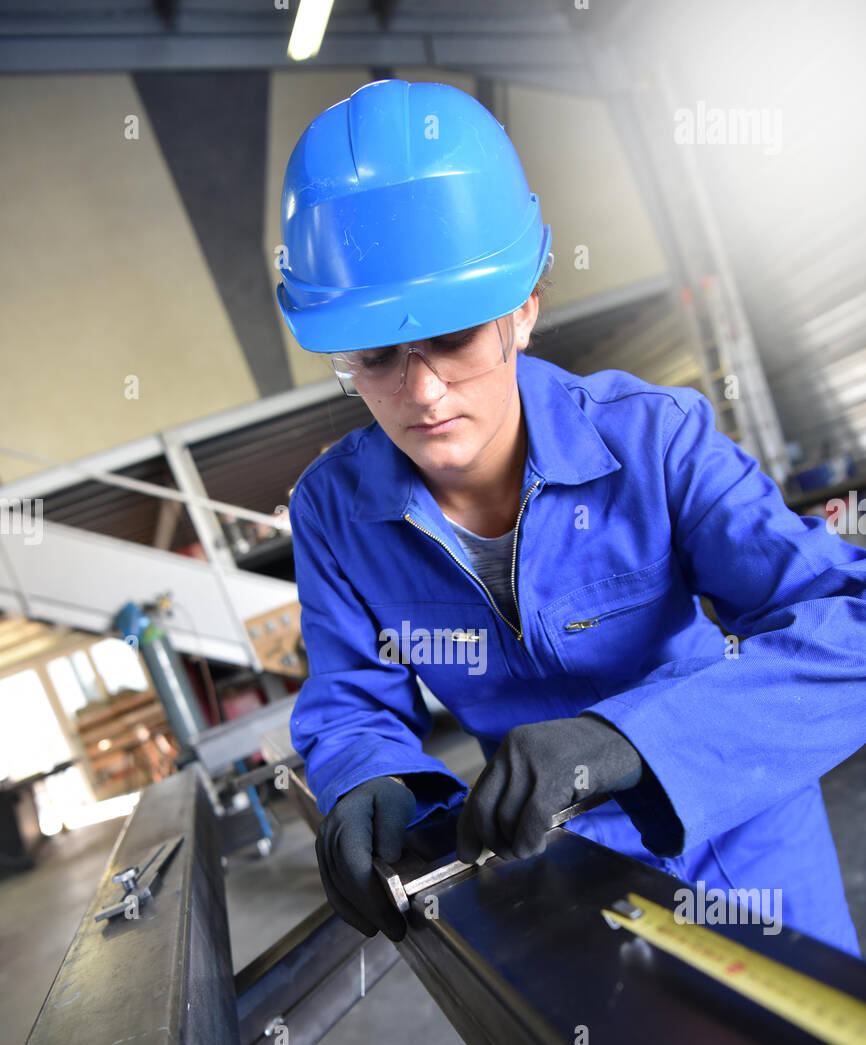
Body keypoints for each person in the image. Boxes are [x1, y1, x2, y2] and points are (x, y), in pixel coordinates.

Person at [276, 78, 866, 955]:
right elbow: (353, 702)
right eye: (377, 355)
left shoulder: (653, 440)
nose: (424, 391)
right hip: (550, 874)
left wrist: (626, 740)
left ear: (524, 309)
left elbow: (847, 625)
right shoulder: (333, 511)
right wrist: (374, 776)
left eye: (453, 336)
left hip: (739, 847)